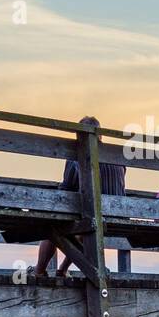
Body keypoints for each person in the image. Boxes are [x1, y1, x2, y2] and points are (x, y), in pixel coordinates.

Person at [35, 117, 126, 276]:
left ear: (78, 134)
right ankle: (62, 270)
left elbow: (67, 188)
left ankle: (39, 271)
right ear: (100, 135)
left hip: (93, 215)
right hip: (116, 215)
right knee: (86, 228)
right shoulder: (117, 156)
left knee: (51, 227)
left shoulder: (76, 153)